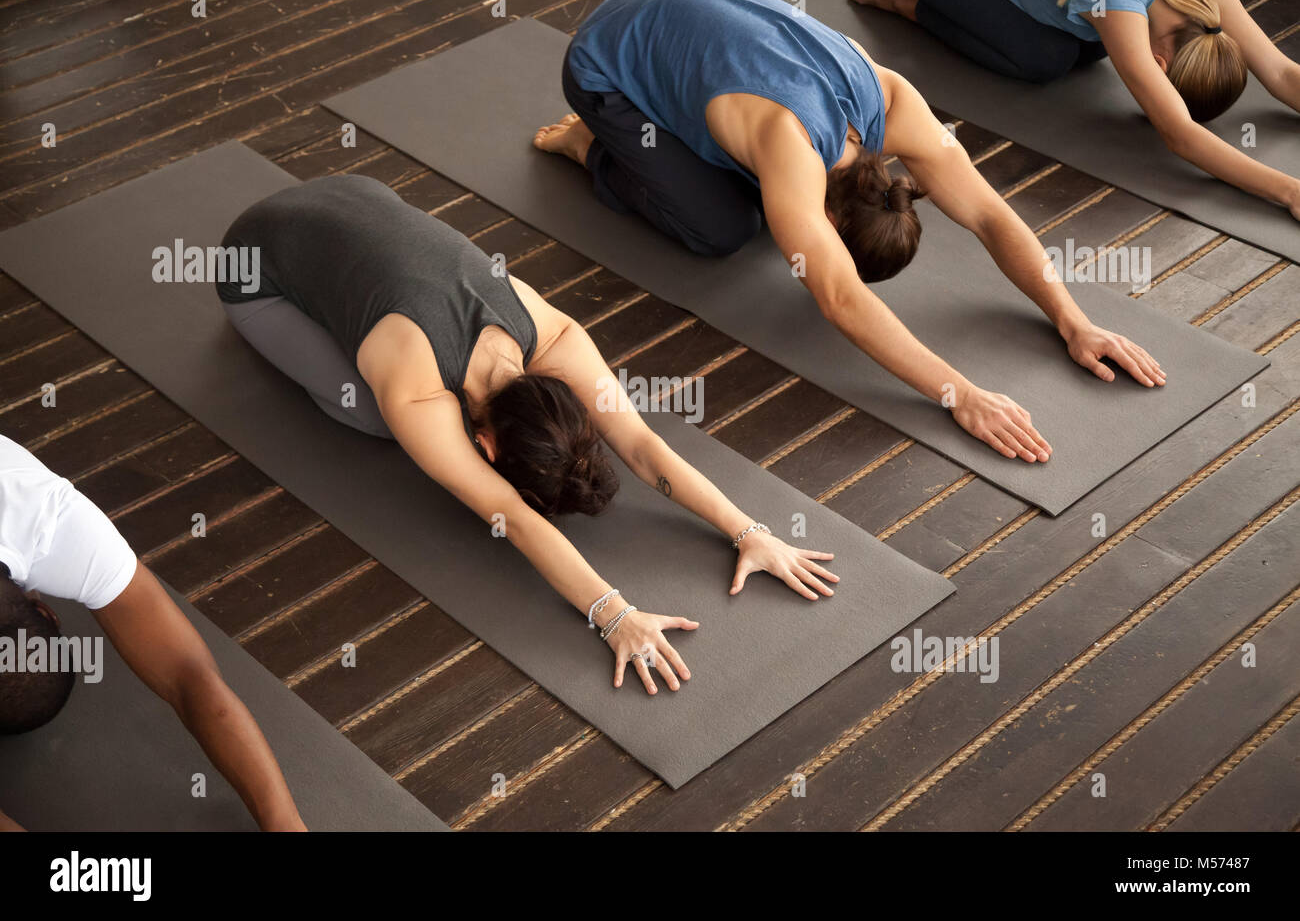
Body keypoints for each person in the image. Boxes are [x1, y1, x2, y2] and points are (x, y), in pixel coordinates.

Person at [216, 174, 839, 696]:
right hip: (251, 266)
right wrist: (615, 615)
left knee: (392, 382)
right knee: (374, 417)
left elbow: (642, 445)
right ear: (487, 448)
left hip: (354, 191)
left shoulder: (552, 333)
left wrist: (750, 532)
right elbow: (510, 516)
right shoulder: (416, 391)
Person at [533, 0, 1167, 468]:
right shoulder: (790, 149)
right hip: (604, 60)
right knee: (723, 230)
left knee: (764, 204)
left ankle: (675, 128)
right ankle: (591, 147)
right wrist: (961, 394)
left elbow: (989, 215)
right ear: (831, 223)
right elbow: (839, 299)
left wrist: (1074, 322)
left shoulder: (893, 104)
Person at [0, 434, 306, 831]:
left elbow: (186, 675)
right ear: (46, 612)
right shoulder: (48, 517)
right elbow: (188, 678)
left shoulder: (51, 517)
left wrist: (284, 824)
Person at [849, 0, 1300, 216]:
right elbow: (1179, 133)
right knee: (1046, 59)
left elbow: (1281, 73)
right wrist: (1290, 192)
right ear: (1159, 66)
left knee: (1079, 49)